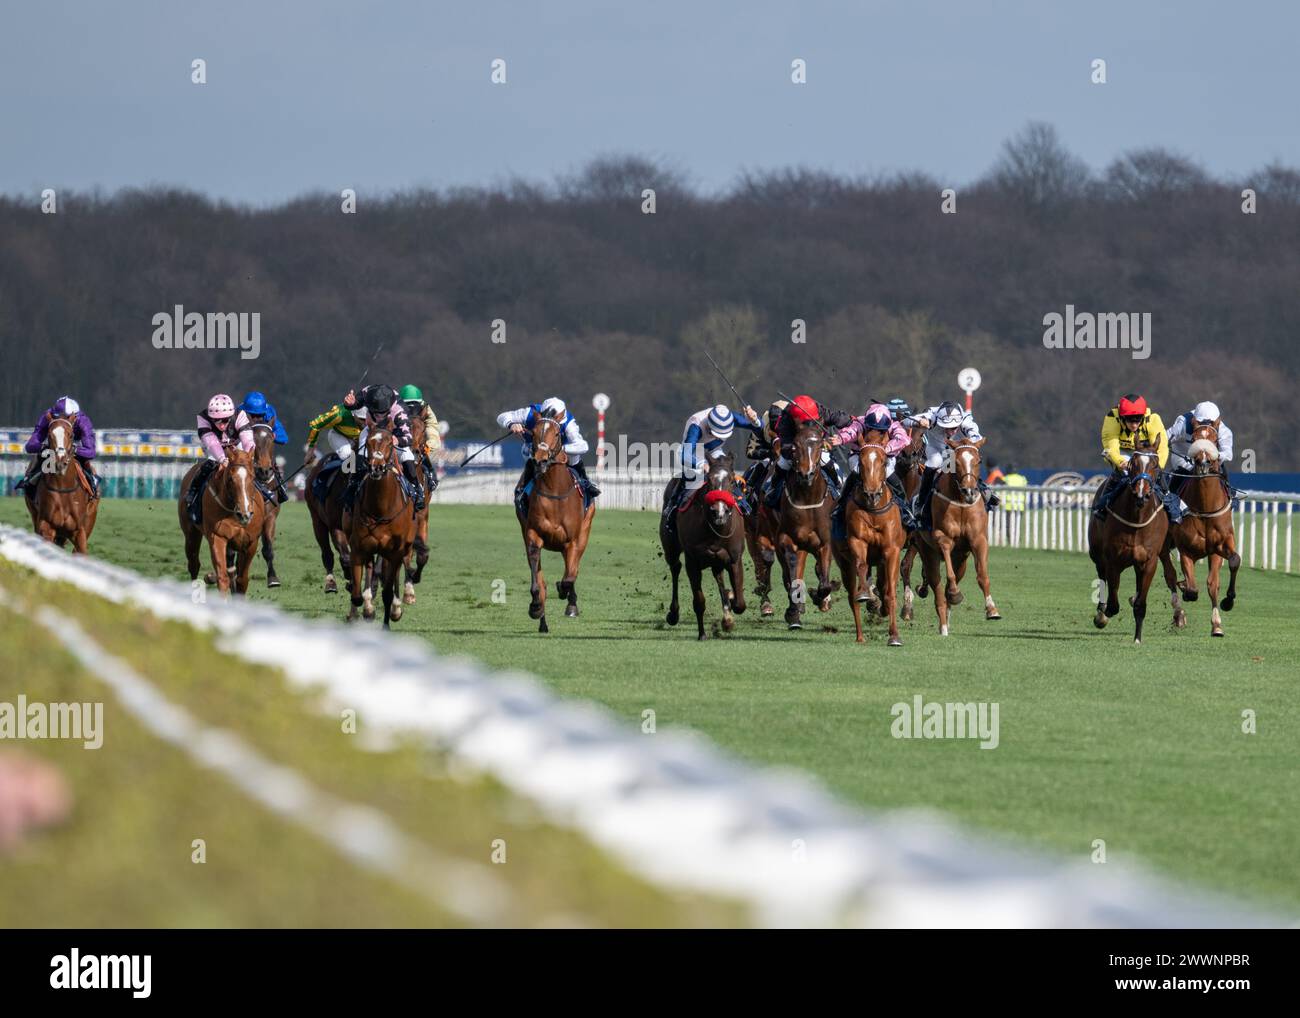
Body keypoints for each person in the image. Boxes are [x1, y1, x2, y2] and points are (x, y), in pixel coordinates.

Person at [903, 400, 999, 529]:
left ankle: (984, 489)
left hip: (957, 450)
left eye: (954, 427)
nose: (950, 431)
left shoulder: (965, 420)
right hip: (935, 448)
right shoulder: (932, 415)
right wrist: (918, 422)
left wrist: (969, 442)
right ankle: (922, 502)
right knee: (935, 462)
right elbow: (905, 421)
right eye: (946, 427)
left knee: (965, 463)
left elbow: (976, 436)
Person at [662, 403, 760, 525]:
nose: (717, 437)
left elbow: (761, 428)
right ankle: (673, 506)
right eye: (716, 434)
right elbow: (684, 456)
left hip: (714, 451)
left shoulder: (730, 418)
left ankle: (743, 504)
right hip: (694, 453)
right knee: (694, 476)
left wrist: (755, 420)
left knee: (725, 474)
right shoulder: (696, 425)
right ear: (709, 426)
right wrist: (700, 464)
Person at [1092, 393, 1182, 522]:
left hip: (1146, 451)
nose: (1134, 425)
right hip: (1122, 451)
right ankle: (1103, 505)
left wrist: (1158, 466)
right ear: (1122, 417)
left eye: (1138, 419)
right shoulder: (1112, 418)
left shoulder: (1153, 419)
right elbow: (1111, 446)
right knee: (1122, 474)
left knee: (1156, 476)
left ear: (1143, 416)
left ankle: (1173, 507)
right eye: (1129, 420)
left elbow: (1161, 447)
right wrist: (1120, 461)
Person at [496, 397, 599, 510]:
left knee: (575, 455)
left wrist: (556, 450)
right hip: (534, 448)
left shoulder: (569, 422)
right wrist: (511, 424)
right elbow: (501, 417)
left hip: (559, 452)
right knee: (533, 456)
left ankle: (585, 481)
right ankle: (524, 490)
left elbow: (583, 446)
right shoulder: (530, 413)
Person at [829, 401, 915, 530]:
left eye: (880, 430)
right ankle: (840, 507)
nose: (875, 431)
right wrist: (841, 439)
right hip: (860, 455)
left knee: (892, 477)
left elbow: (904, 439)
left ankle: (905, 511)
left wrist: (885, 449)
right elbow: (851, 431)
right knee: (856, 472)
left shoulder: (894, 425)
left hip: (884, 457)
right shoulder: (860, 422)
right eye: (871, 428)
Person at [342, 384, 425, 512]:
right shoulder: (367, 393)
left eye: (382, 413)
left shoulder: (400, 411)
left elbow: (408, 438)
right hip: (372, 430)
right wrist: (349, 404)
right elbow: (355, 405)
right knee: (360, 453)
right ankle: (353, 485)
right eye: (375, 412)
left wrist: (398, 440)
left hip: (394, 432)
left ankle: (417, 489)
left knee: (407, 455)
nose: (379, 416)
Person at [762, 395, 851, 509]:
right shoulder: (786, 418)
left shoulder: (820, 410)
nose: (809, 424)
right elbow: (785, 445)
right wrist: (796, 451)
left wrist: (850, 420)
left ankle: (838, 485)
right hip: (796, 448)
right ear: (795, 419)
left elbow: (835, 417)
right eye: (805, 422)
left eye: (812, 420)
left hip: (816, 444)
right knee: (783, 464)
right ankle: (773, 489)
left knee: (825, 459)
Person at [185, 394, 255, 523]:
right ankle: (192, 494)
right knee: (209, 464)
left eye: (225, 420)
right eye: (216, 420)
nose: (221, 425)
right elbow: (212, 443)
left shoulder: (240, 415)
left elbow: (248, 439)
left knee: (247, 470)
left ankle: (264, 492)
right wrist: (223, 460)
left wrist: (249, 455)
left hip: (236, 445)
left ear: (231, 416)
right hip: (214, 447)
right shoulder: (203, 418)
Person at [15, 396, 98, 498]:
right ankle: (29, 480)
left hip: (74, 444)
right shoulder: (47, 417)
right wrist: (43, 447)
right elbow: (29, 446)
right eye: (57, 417)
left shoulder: (83, 422)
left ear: (74, 417)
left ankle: (93, 484)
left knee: (85, 461)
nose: (60, 421)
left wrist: (74, 449)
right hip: (53, 445)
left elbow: (91, 452)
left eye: (65, 418)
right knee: (40, 456)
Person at [1166, 400, 1234, 496]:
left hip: (1210, 459)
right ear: (1194, 420)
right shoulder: (1182, 424)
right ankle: (1171, 497)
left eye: (1210, 423)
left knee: (1221, 470)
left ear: (1217, 422)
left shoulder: (1223, 431)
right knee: (1186, 471)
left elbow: (1228, 454)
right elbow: (1165, 438)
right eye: (1200, 423)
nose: (1205, 427)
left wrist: (1214, 455)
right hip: (1183, 456)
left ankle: (1229, 493)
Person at [239, 390, 290, 502]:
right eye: (253, 416)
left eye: (260, 416)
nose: (257, 419)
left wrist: (268, 435)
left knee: (268, 451)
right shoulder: (237, 413)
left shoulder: (270, 412)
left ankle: (280, 486)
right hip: (241, 448)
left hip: (262, 452)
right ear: (245, 412)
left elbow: (284, 438)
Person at [399, 384, 442, 492]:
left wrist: (430, 445)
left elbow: (432, 428)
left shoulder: (426, 409)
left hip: (417, 438)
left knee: (421, 447)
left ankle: (431, 475)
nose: (412, 407)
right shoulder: (395, 408)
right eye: (408, 405)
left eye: (415, 404)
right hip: (400, 438)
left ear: (420, 402)